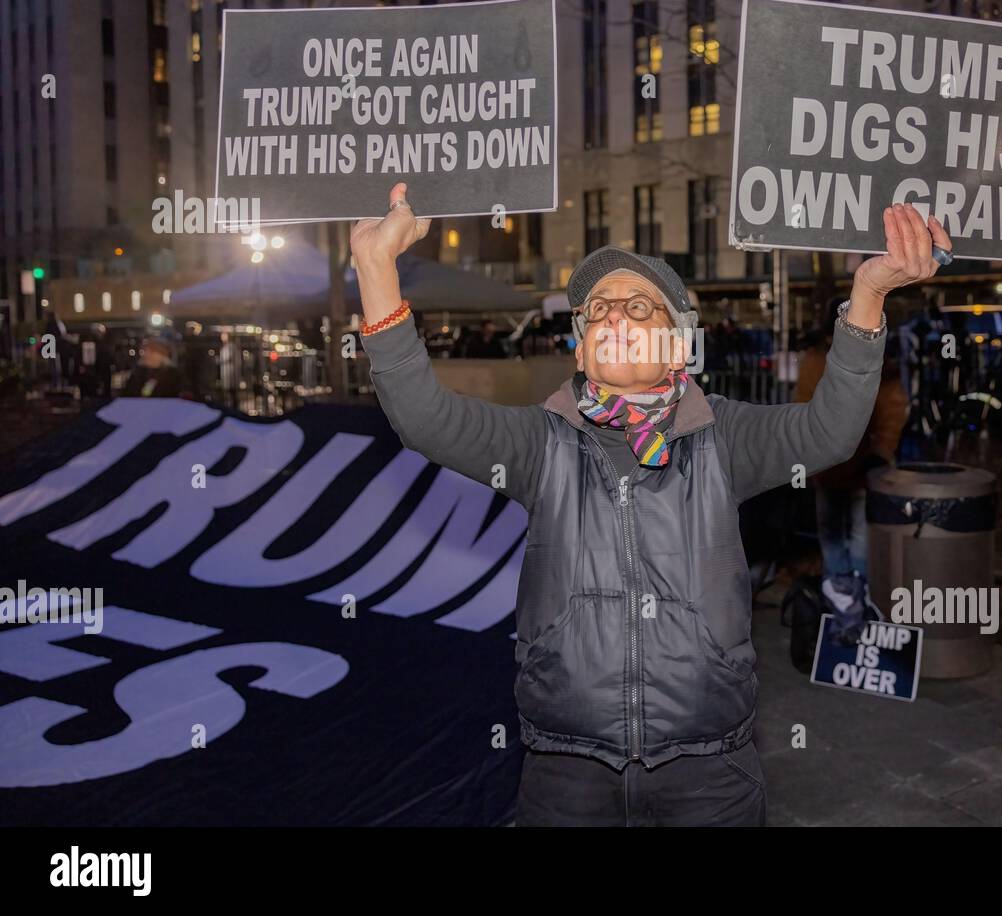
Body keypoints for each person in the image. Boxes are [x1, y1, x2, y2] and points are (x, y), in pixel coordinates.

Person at [353, 182, 950, 827]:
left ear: (678, 346)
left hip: (709, 769)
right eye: (599, 309)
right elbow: (423, 418)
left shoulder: (722, 436)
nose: (614, 315)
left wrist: (866, 296)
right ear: (580, 348)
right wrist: (374, 266)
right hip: (565, 768)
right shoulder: (538, 442)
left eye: (641, 307)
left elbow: (828, 432)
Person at [794, 299, 909, 642]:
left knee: (857, 542)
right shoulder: (819, 360)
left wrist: (880, 452)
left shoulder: (875, 362)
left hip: (858, 467)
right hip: (830, 467)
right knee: (835, 540)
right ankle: (843, 613)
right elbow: (803, 407)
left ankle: (857, 615)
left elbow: (892, 408)